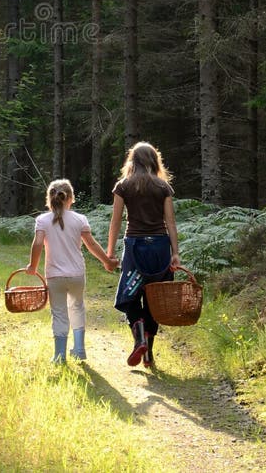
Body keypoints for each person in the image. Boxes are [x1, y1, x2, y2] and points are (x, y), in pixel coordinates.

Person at [26, 178, 118, 363]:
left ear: (49, 198)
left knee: (59, 312)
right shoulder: (79, 219)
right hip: (77, 275)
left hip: (55, 276)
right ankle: (79, 349)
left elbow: (37, 244)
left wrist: (33, 266)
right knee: (77, 307)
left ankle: (60, 355)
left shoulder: (42, 220)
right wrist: (106, 261)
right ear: (71, 199)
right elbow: (91, 244)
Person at [106, 141, 180, 368]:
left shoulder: (123, 186)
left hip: (135, 248)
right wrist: (175, 253)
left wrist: (109, 252)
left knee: (128, 295)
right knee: (154, 299)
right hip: (159, 249)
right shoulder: (163, 187)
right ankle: (148, 354)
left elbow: (116, 221)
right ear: (154, 161)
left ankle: (138, 335)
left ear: (133, 161)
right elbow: (170, 222)